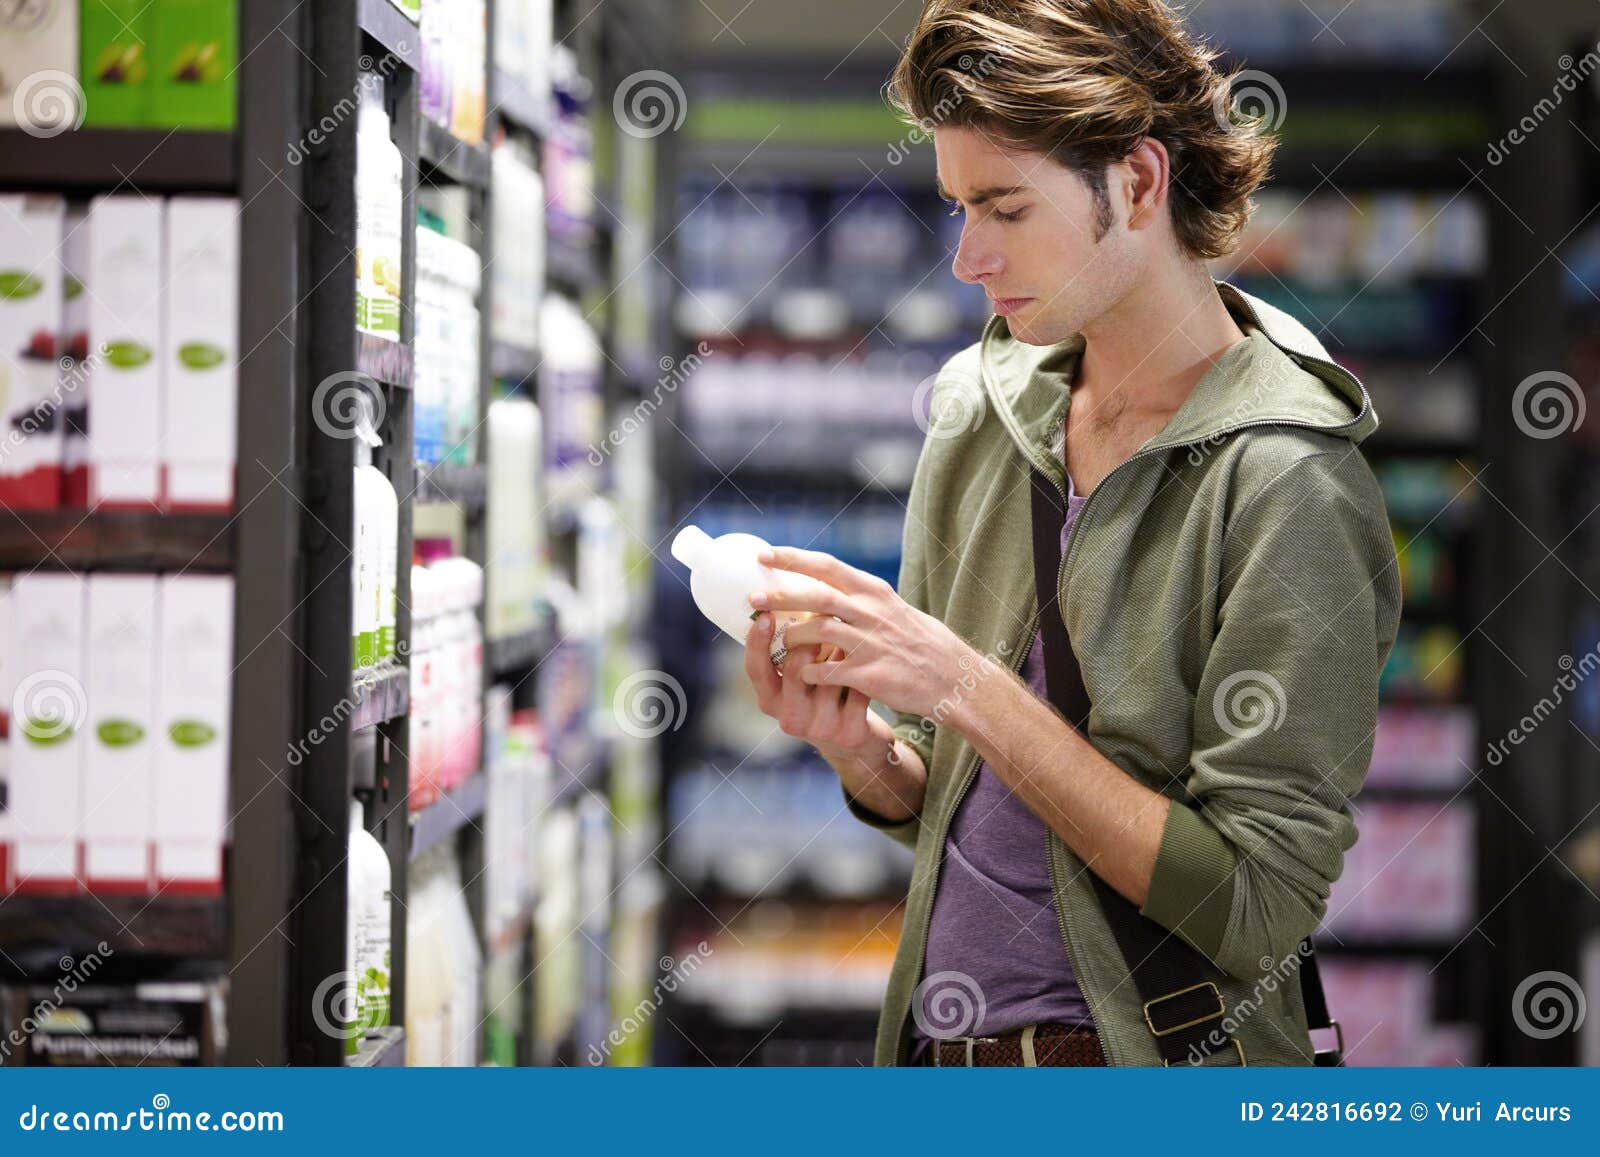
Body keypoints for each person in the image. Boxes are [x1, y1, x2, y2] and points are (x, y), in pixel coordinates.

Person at [741, 0, 1401, 1067]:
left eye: (1003, 208)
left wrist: (964, 684)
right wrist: (856, 744)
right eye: (958, 207)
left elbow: (1253, 906)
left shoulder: (1289, 481)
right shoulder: (977, 408)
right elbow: (952, 791)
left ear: (1136, 183)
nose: (966, 258)